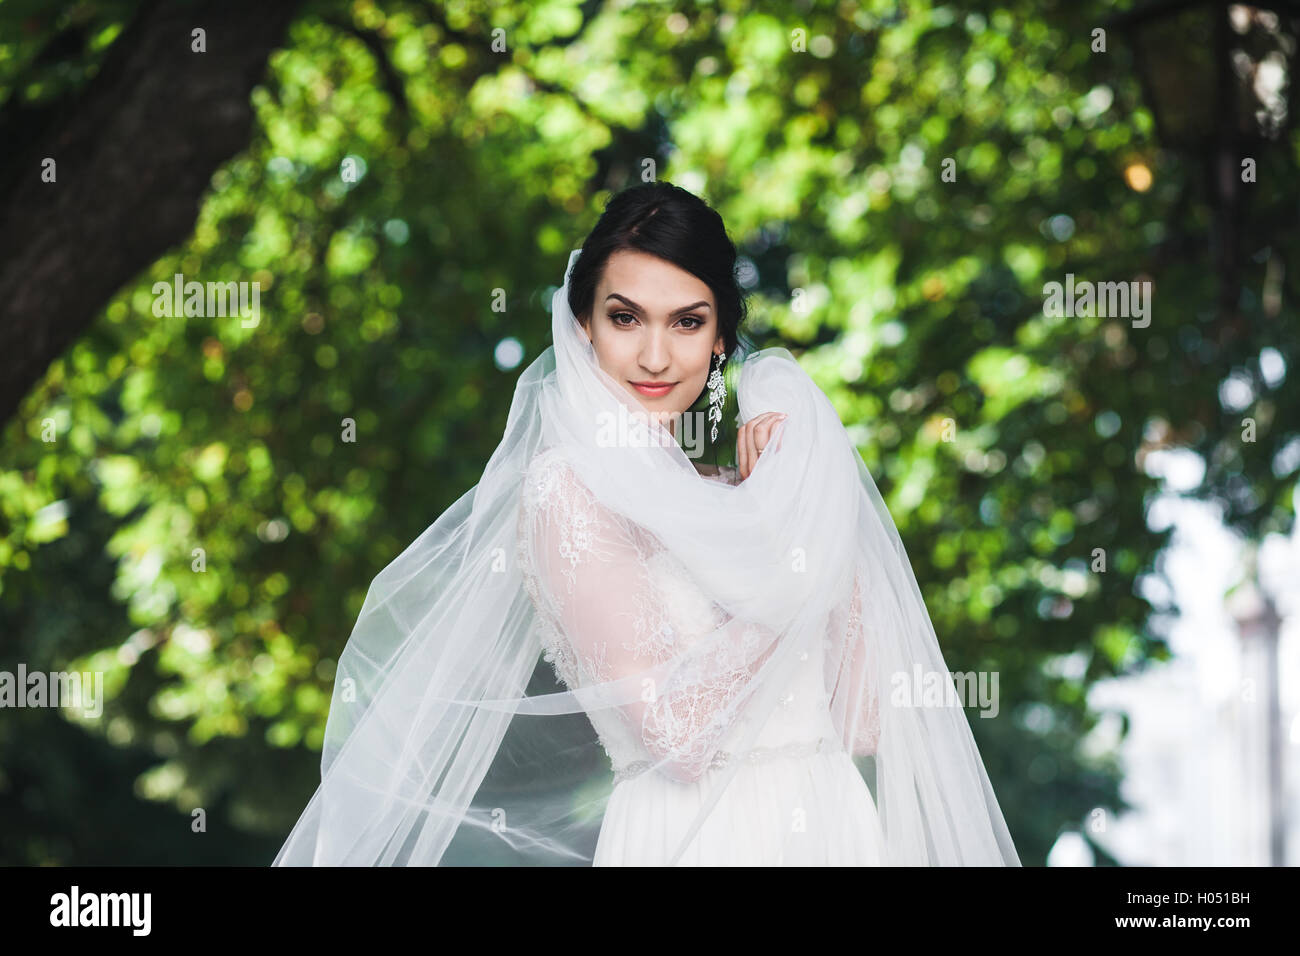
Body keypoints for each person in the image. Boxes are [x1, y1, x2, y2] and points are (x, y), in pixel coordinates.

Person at [273, 182, 1021, 866]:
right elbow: (677, 737)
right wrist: (790, 559)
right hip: (696, 839)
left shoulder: (744, 494)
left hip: (836, 831)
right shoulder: (567, 490)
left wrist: (809, 505)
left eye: (687, 322)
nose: (655, 355)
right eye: (625, 317)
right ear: (583, 326)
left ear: (721, 339)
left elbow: (862, 719)